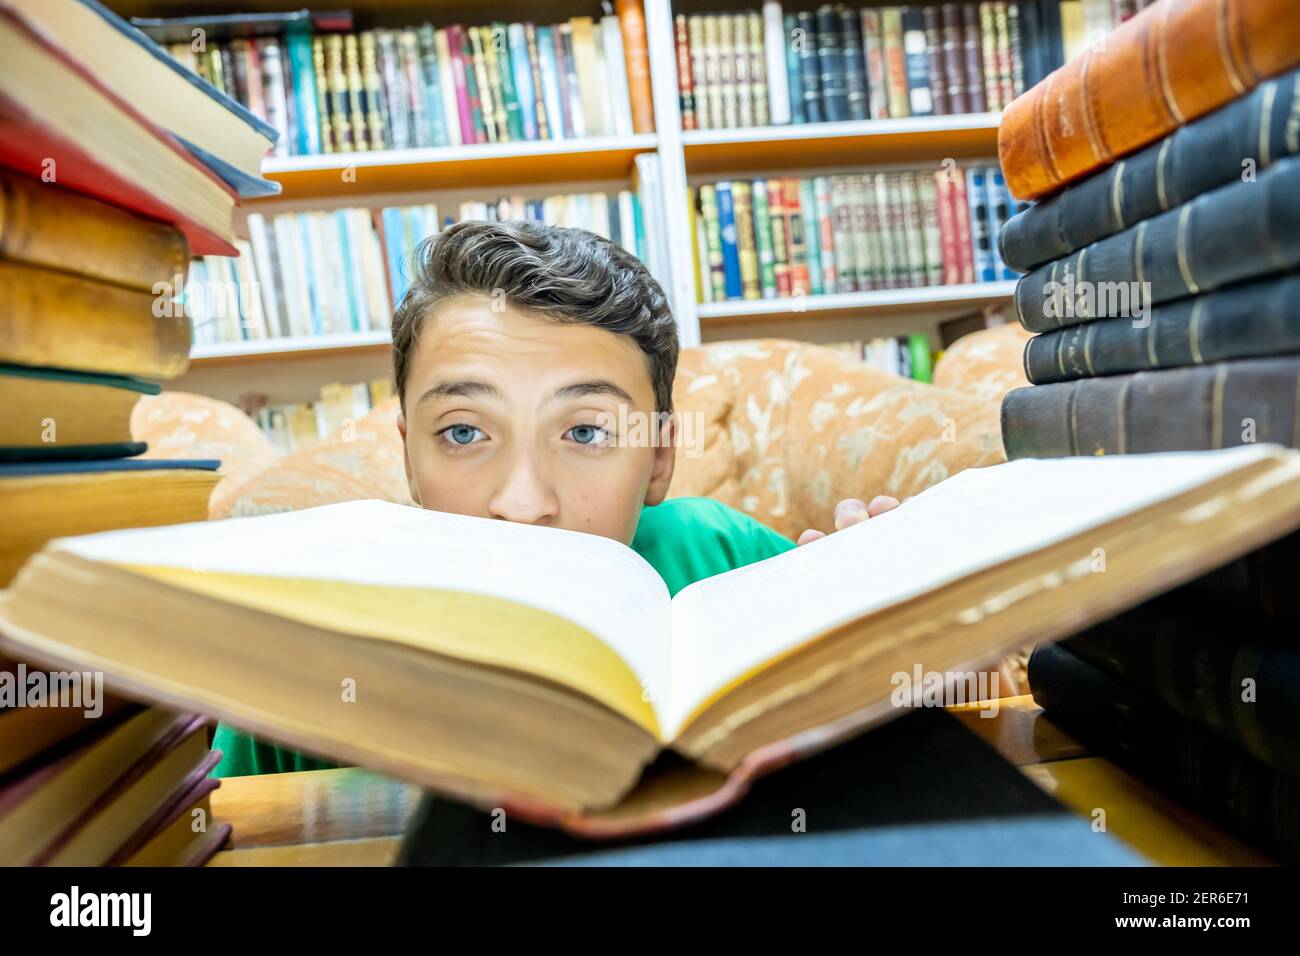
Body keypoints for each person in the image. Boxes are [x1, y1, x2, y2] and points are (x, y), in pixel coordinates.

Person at [211, 218, 899, 777]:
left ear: (658, 459)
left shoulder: (725, 555)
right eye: (463, 432)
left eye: (586, 431)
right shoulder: (305, 652)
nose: (522, 504)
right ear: (408, 459)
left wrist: (901, 626)